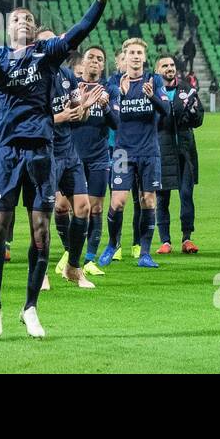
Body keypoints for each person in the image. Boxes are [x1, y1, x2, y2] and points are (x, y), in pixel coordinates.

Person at [0, 0, 121, 339]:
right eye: (17, 19)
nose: (23, 22)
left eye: (28, 19)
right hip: (6, 152)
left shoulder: (48, 56)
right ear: (8, 28)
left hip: (42, 153)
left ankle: (30, 308)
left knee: (40, 231)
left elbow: (80, 30)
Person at [97, 38, 169, 268]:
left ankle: (145, 253)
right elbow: (112, 121)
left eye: (139, 52)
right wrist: (112, 101)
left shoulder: (154, 80)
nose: (136, 56)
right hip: (122, 152)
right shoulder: (114, 82)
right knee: (117, 201)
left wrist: (152, 97)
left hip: (149, 151)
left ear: (144, 58)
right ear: (124, 57)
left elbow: (166, 110)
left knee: (148, 200)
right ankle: (112, 244)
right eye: (132, 52)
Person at [43, 42, 102, 289]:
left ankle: (73, 268)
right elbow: (28, 118)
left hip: (69, 153)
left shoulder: (68, 76)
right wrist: (61, 117)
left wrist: (84, 108)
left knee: (83, 207)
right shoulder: (33, 78)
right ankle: (41, 271)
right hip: (45, 153)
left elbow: (78, 116)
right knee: (42, 214)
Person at [152, 55, 204, 255]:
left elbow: (198, 120)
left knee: (186, 195)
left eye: (172, 65)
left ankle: (187, 238)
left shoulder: (187, 91)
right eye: (164, 65)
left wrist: (194, 114)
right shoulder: (153, 92)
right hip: (161, 150)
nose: (169, 68)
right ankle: (165, 241)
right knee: (162, 198)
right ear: (158, 70)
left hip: (185, 150)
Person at [72, 45, 118, 276]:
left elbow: (117, 123)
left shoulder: (109, 90)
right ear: (82, 62)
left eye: (99, 59)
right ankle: (71, 255)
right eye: (91, 57)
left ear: (103, 65)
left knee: (96, 207)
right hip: (74, 156)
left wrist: (106, 107)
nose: (95, 62)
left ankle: (89, 259)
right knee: (75, 208)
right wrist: (84, 104)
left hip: (100, 157)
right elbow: (69, 119)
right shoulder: (73, 87)